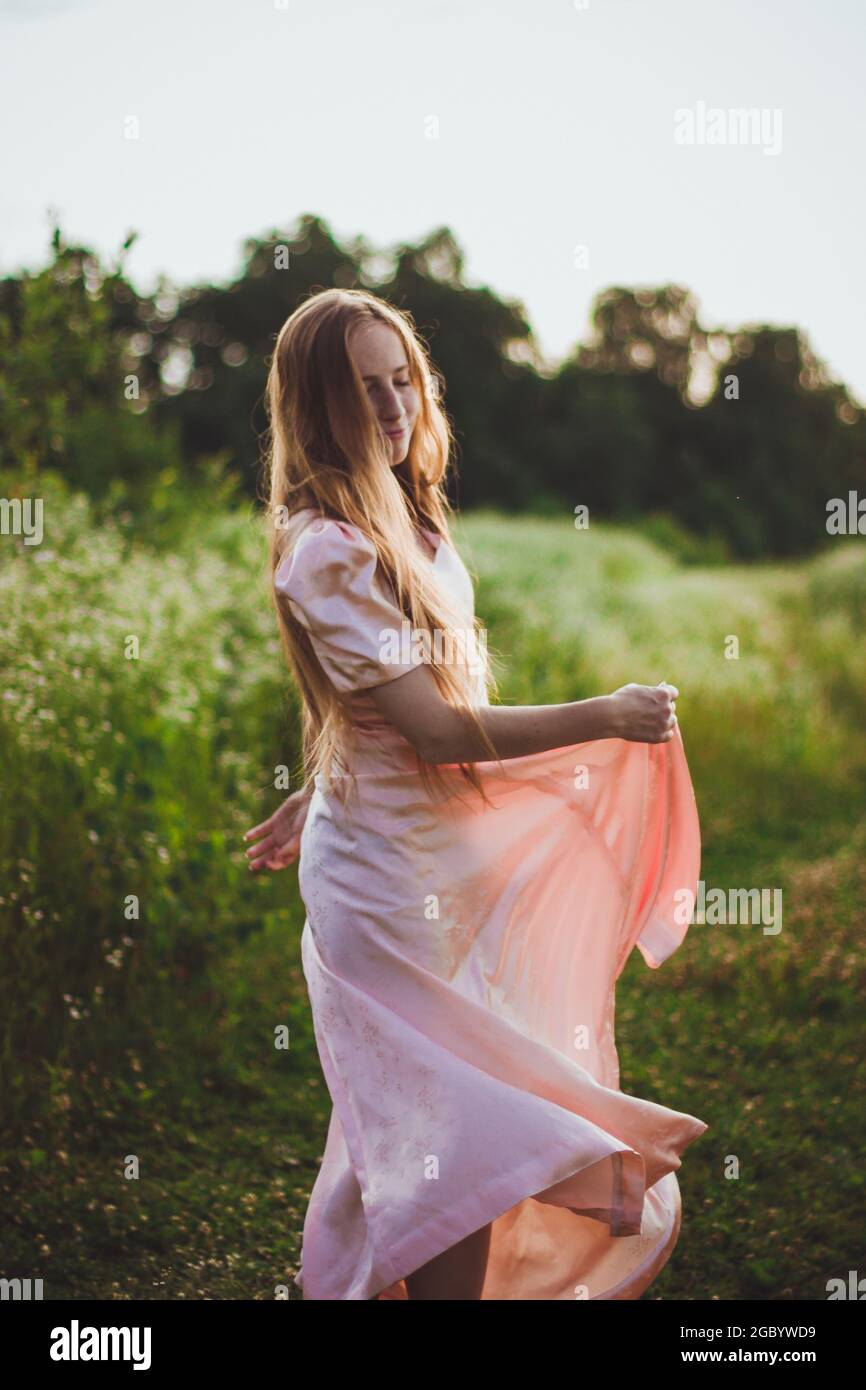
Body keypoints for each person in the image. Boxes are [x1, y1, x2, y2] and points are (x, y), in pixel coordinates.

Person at [244, 286, 708, 1301]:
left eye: (401, 378)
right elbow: (441, 730)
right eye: (362, 388)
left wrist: (309, 793)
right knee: (444, 1131)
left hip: (436, 859)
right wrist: (603, 714)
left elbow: (372, 712)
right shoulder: (325, 544)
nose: (391, 404)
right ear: (314, 406)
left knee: (435, 1118)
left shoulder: (408, 516)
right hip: (381, 893)